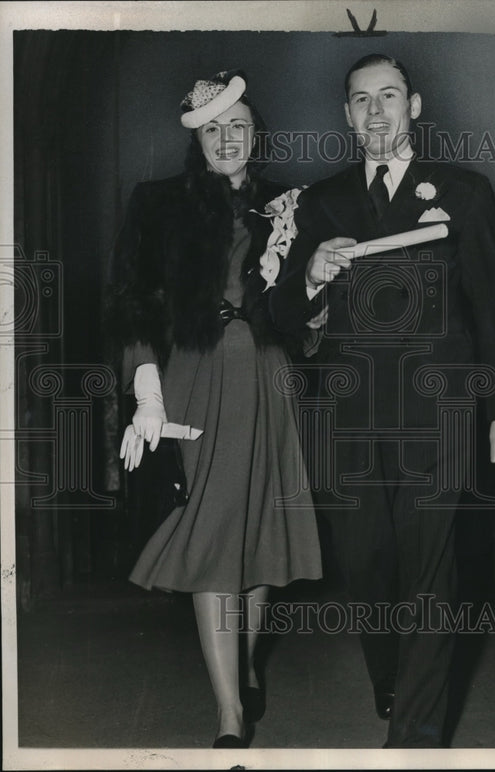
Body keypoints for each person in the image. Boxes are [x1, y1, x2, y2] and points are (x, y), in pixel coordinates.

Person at [269, 53, 495, 748]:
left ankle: (415, 738)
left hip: (437, 411)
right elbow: (282, 316)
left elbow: (493, 309)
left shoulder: (465, 193)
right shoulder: (320, 200)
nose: (375, 111)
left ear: (414, 107)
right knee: (368, 562)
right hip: (349, 416)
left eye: (389, 97)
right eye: (360, 100)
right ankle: (392, 669)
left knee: (431, 567)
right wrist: (313, 277)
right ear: (346, 116)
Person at [109, 69, 322, 749]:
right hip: (194, 377)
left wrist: (316, 294)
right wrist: (146, 391)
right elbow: (132, 303)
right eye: (213, 130)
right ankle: (230, 712)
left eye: (239, 127)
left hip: (268, 376)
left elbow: (303, 320)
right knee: (210, 541)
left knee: (260, 534)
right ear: (196, 140)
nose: (227, 139)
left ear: (256, 135)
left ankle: (247, 664)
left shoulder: (287, 204)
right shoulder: (157, 202)